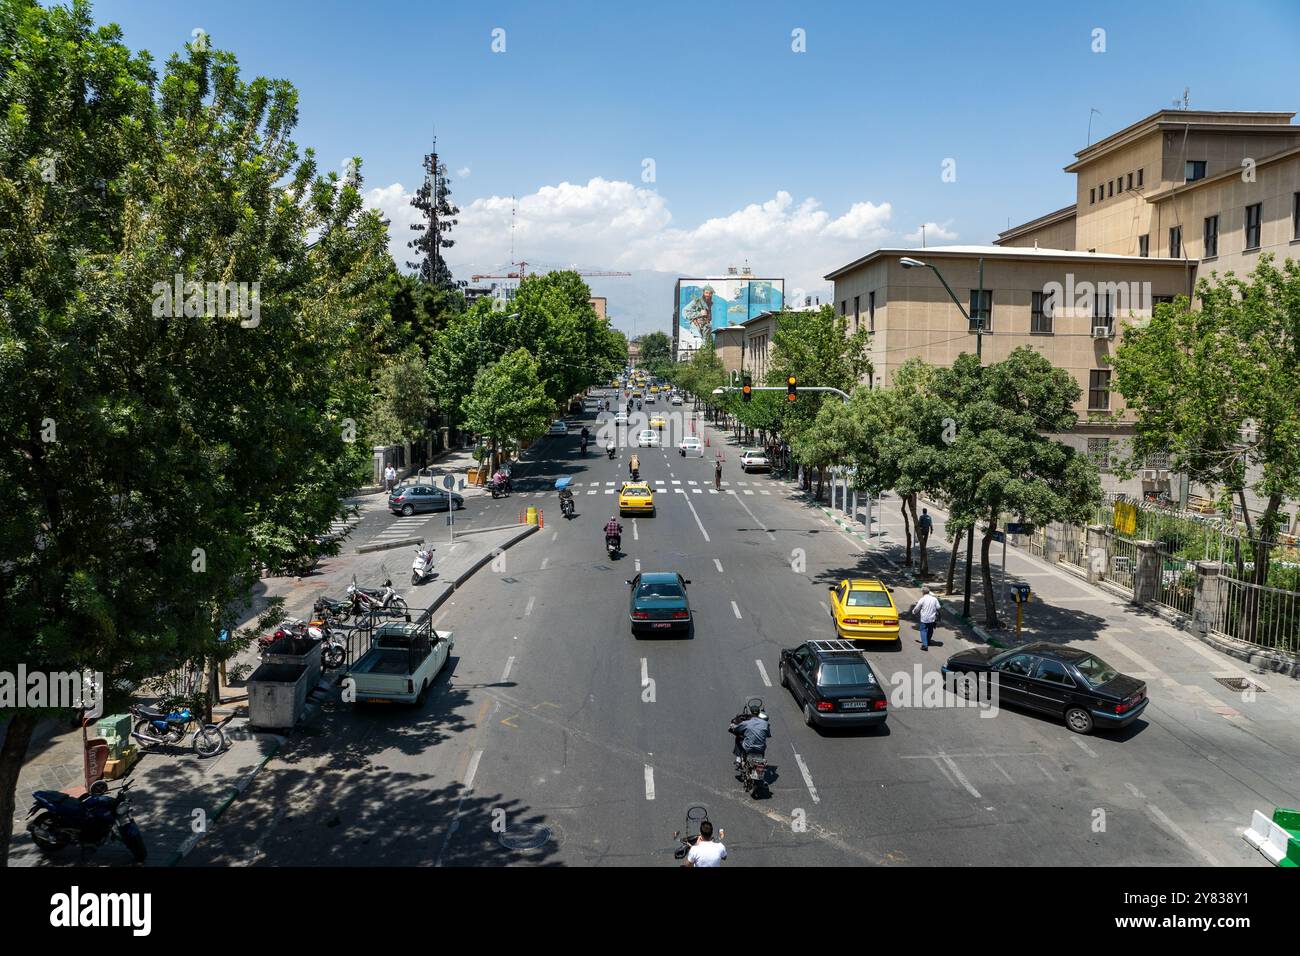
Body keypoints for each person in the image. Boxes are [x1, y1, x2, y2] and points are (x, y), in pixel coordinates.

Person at [729, 701, 771, 768]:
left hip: (748, 747)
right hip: (761, 748)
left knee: (738, 738)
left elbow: (737, 729)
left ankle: (738, 759)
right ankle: (761, 759)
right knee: (762, 743)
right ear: (759, 713)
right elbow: (768, 735)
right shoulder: (765, 724)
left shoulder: (747, 723)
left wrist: (733, 727)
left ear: (750, 712)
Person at [911, 584, 941, 652]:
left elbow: (917, 608)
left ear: (923, 592)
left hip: (924, 619)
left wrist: (913, 612)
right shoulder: (934, 599)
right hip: (932, 618)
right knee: (930, 630)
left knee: (923, 630)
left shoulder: (922, 599)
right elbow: (939, 607)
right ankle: (928, 641)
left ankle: (925, 645)